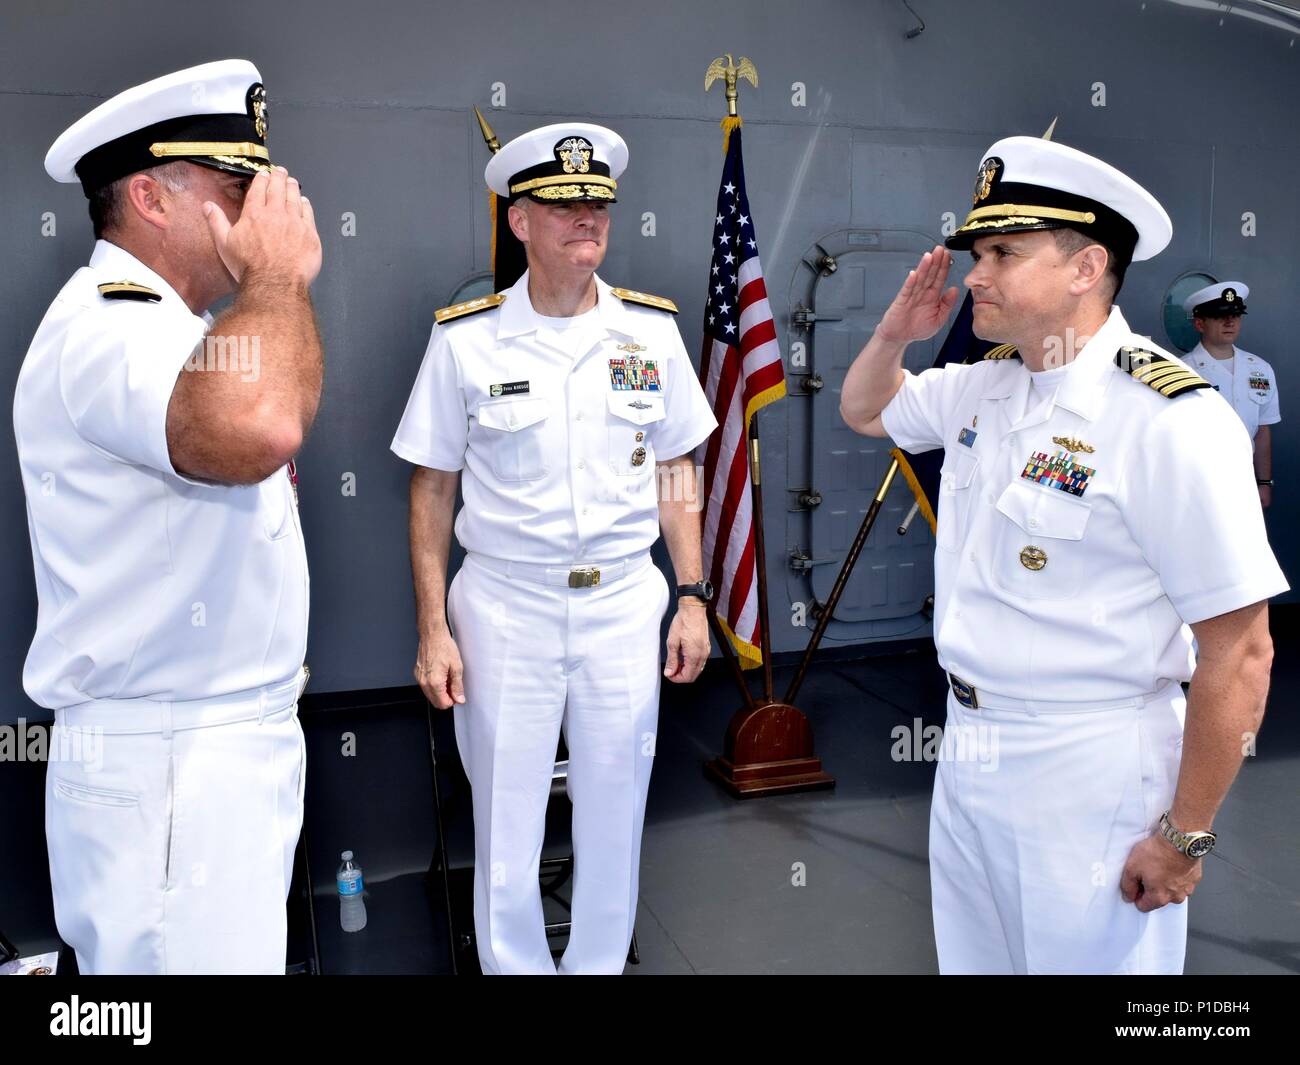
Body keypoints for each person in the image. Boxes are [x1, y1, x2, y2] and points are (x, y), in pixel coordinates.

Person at [839, 135, 1286, 974]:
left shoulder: (1169, 420)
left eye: (1004, 252)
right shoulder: (986, 383)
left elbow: (1242, 648)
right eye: (979, 251)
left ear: (1086, 269)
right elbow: (867, 410)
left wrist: (1185, 834)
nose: (976, 272)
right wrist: (894, 335)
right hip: (970, 743)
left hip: (1091, 767)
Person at [15, 60, 323, 974]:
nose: (262, 211)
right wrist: (275, 280)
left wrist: (278, 289)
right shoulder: (110, 327)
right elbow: (263, 425)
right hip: (173, 764)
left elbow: (286, 406)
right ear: (150, 196)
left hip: (218, 746)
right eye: (239, 189)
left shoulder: (182, 323)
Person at [391, 122, 717, 974]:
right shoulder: (466, 338)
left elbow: (678, 467)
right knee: (507, 819)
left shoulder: (651, 332)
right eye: (564, 204)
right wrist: (434, 626)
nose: (588, 218)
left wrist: (692, 594)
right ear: (519, 222)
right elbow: (431, 488)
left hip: (622, 601)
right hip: (505, 605)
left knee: (617, 808)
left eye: (599, 202)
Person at [1182, 281, 1278, 507]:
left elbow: (1262, 431)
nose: (1229, 321)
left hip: (1245, 479)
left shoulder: (1260, 369)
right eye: (1218, 316)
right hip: (1198, 481)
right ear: (1199, 324)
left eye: (1235, 315)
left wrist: (1264, 482)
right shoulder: (1183, 371)